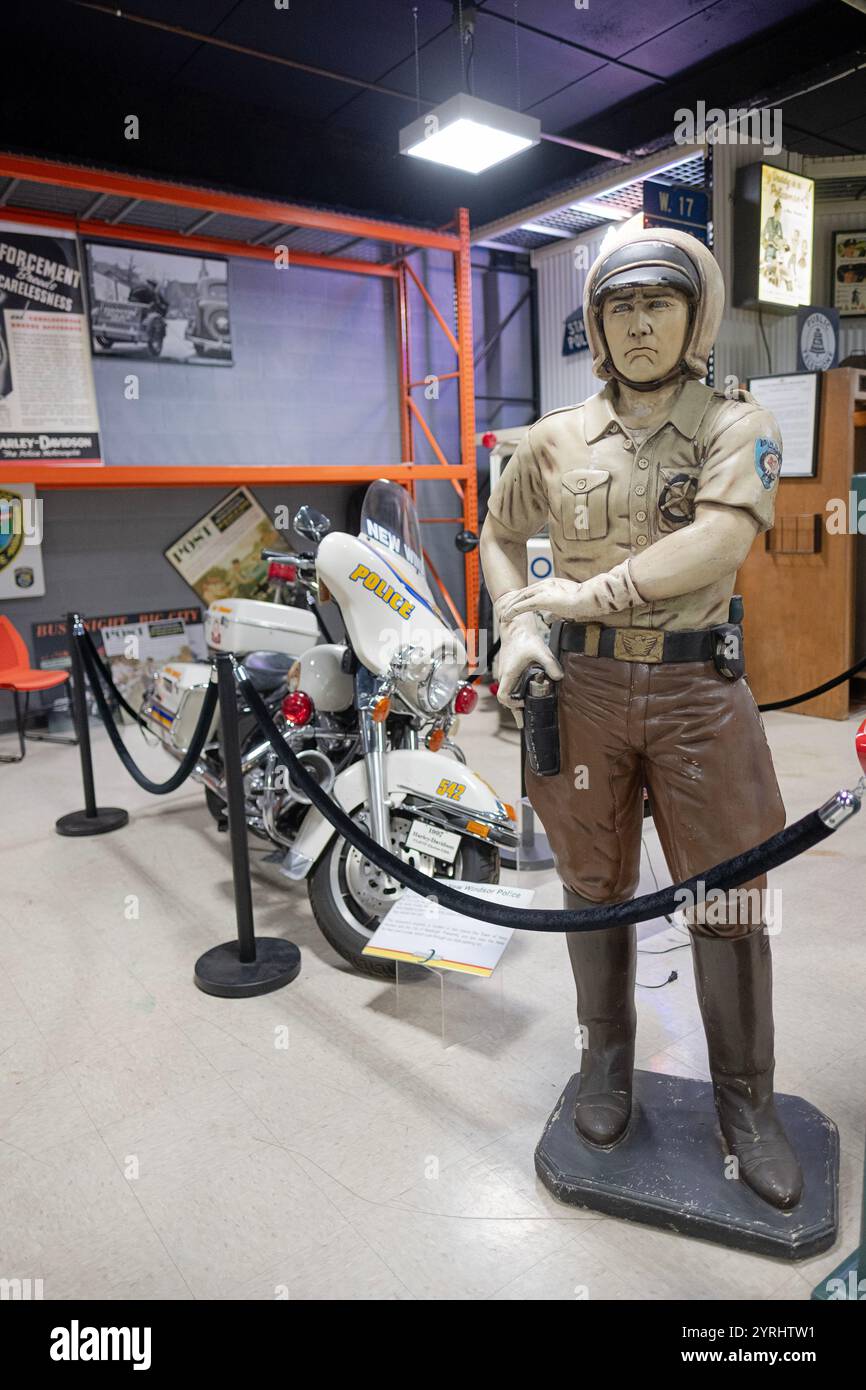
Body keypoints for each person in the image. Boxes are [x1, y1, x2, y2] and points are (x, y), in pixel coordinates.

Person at [480, 228, 802, 1210]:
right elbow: (500, 536)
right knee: (591, 889)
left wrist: (580, 597)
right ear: (594, 323)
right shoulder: (548, 440)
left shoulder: (737, 426)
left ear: (692, 314)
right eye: (617, 306)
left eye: (656, 303)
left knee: (728, 900)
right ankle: (604, 1065)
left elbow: (715, 543)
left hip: (695, 693)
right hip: (583, 695)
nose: (636, 323)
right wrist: (515, 628)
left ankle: (745, 1104)